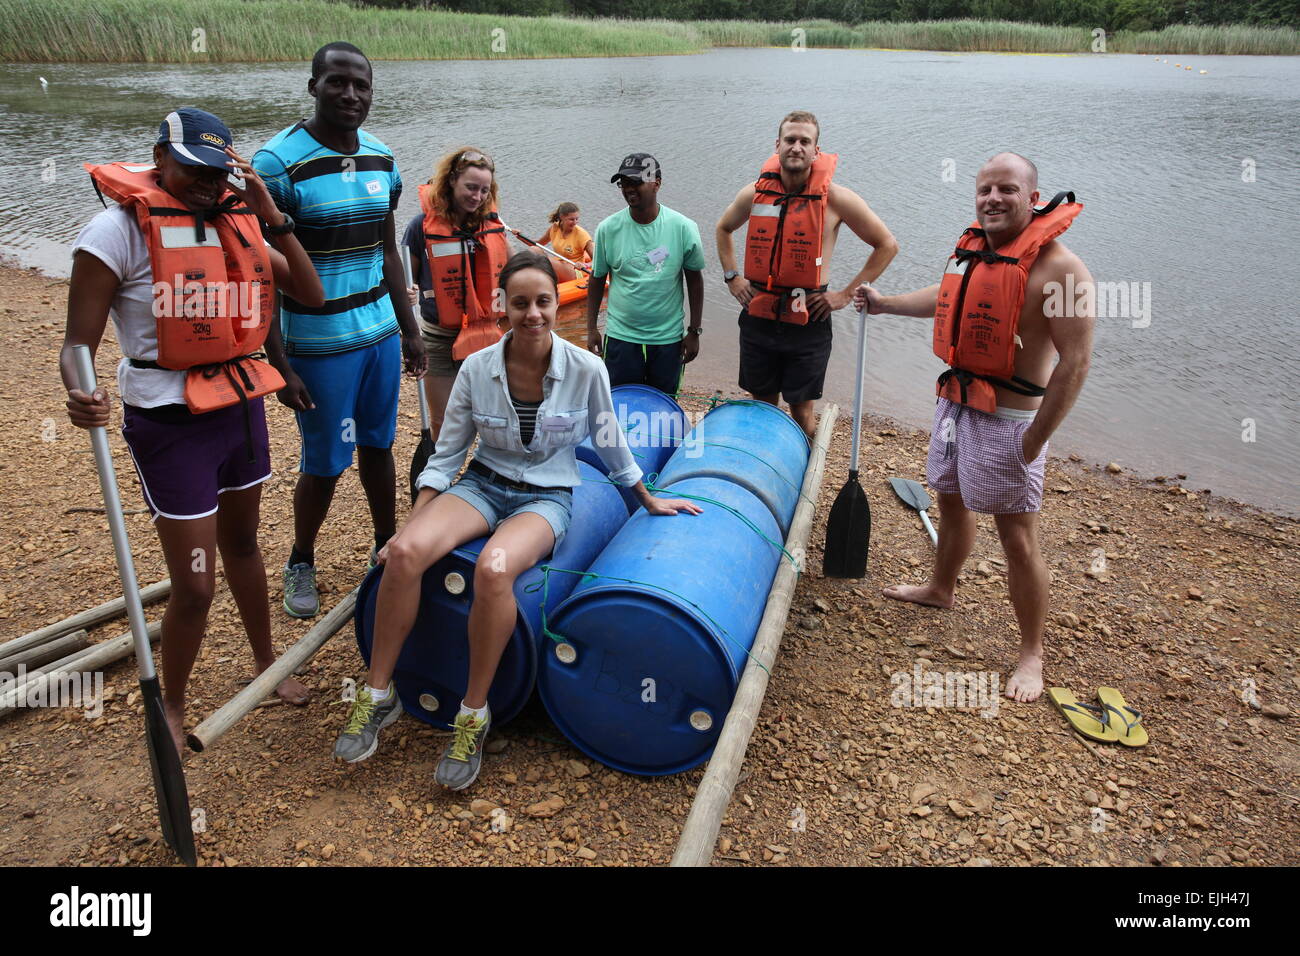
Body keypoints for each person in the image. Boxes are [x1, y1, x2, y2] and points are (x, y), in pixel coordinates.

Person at [334, 251, 702, 790]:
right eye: (521, 302)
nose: (533, 313)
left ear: (557, 305)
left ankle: (473, 713)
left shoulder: (586, 369)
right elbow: (446, 455)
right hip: (483, 483)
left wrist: (647, 499)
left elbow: (610, 441)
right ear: (501, 306)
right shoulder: (477, 369)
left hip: (547, 497)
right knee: (408, 555)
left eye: (544, 302)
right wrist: (412, 524)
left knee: (493, 569)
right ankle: (377, 693)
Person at [61, 107, 325, 754]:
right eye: (195, 170)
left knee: (242, 543)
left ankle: (266, 663)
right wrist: (80, 390)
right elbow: (76, 344)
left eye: (219, 173)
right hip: (168, 419)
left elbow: (311, 295)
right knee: (197, 582)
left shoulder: (237, 221)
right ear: (160, 157)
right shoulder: (114, 232)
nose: (208, 184)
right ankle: (172, 703)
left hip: (238, 404)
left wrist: (271, 214)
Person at [852, 152, 1094, 703]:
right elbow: (948, 301)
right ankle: (941, 588)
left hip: (1012, 420)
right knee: (950, 501)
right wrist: (886, 304)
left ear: (1034, 197)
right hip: (957, 405)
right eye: (985, 189)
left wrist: (1035, 439)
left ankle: (1031, 654)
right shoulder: (974, 251)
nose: (993, 199)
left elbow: (1075, 363)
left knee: (1017, 536)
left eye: (1007, 189)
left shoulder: (1063, 270)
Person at [253, 41, 427, 620]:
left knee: (380, 447)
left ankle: (389, 547)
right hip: (318, 346)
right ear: (313, 86)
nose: (350, 94)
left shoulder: (381, 157)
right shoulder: (277, 165)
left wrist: (410, 328)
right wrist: (278, 363)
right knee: (325, 460)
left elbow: (387, 247)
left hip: (378, 334)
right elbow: (257, 273)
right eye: (337, 82)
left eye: (362, 85)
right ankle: (301, 557)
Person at [716, 111, 899, 439]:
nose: (796, 147)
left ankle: (804, 473)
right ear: (778, 146)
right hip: (759, 313)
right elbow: (724, 227)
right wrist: (733, 277)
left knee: (801, 409)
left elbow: (886, 245)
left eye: (805, 141)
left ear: (817, 150)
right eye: (790, 140)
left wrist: (845, 294)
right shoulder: (755, 193)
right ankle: (767, 465)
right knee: (763, 403)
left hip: (808, 319)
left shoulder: (837, 199)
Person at [400, 147, 511, 448]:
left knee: (491, 416)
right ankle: (441, 479)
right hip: (438, 339)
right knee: (443, 421)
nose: (477, 197)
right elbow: (401, 278)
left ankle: (485, 476)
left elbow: (512, 274)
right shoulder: (419, 227)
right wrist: (406, 293)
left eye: (484, 190)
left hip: (485, 338)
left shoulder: (493, 226)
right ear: (451, 182)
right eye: (471, 187)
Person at [585, 153, 705, 396]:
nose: (629, 189)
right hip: (621, 337)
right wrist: (591, 328)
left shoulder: (683, 228)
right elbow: (597, 279)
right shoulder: (608, 229)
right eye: (624, 183)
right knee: (621, 405)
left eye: (636, 182)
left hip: (667, 339)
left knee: (663, 407)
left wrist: (694, 331)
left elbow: (694, 282)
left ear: (657, 183)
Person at [530, 202, 592, 282]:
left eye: (577, 219)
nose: (575, 222)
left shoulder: (582, 235)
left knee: (544, 261)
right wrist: (519, 236)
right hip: (560, 264)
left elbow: (598, 259)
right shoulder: (554, 228)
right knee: (534, 250)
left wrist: (585, 265)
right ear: (562, 217)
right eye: (571, 219)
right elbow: (538, 244)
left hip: (575, 270)